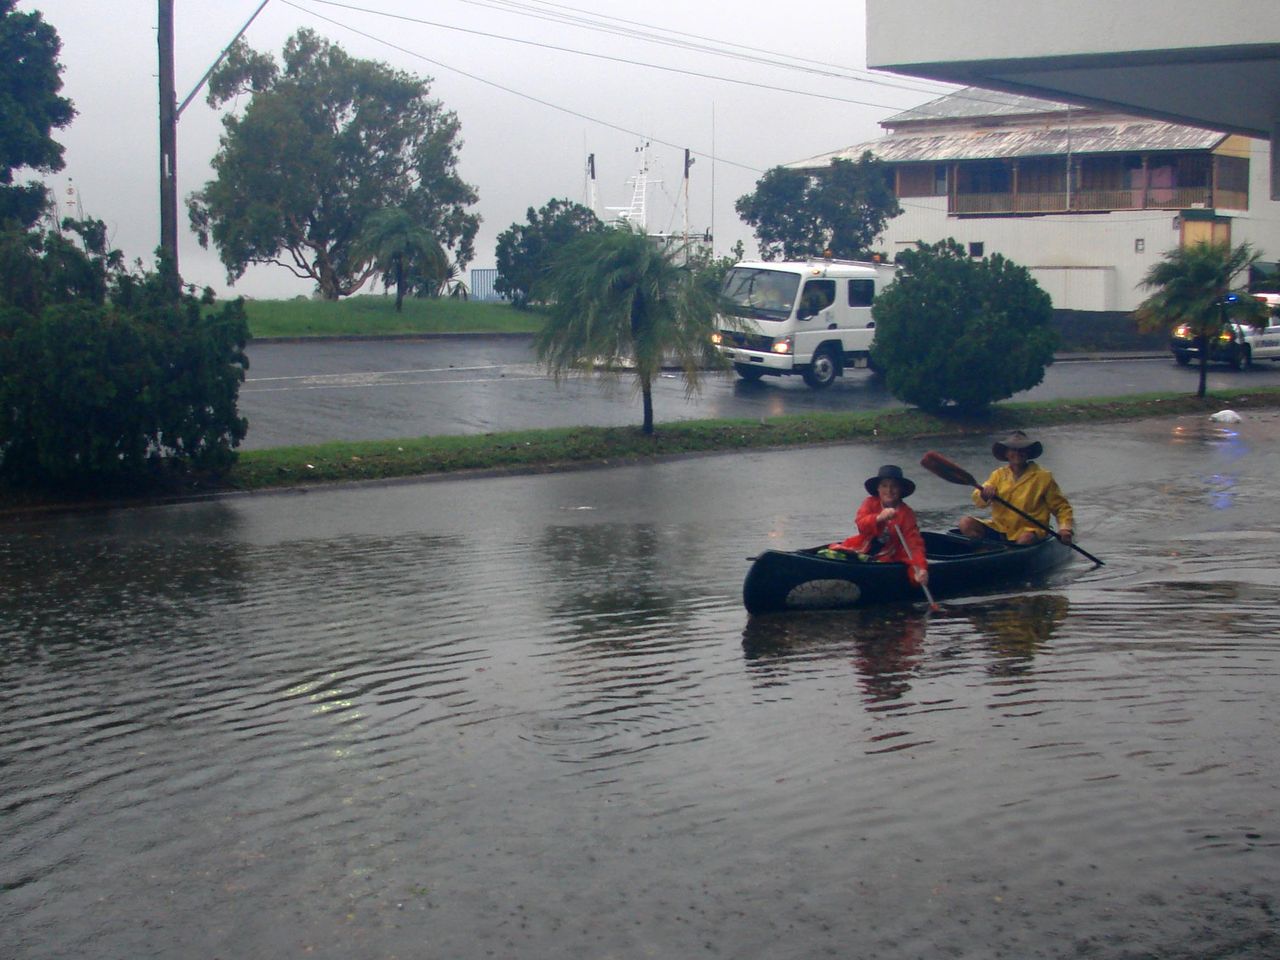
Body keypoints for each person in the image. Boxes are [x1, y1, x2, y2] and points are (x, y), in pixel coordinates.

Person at [957, 430, 1074, 546]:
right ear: (1006, 453)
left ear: (1028, 453)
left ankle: (1010, 555)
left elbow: (1061, 507)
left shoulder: (1043, 477)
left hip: (1029, 530)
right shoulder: (998, 475)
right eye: (1013, 449)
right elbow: (979, 501)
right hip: (1000, 528)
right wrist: (984, 494)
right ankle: (983, 550)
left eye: (1022, 449)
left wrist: (1065, 529)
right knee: (965, 522)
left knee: (1025, 539)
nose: (1017, 453)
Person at [823, 464, 928, 586]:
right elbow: (861, 524)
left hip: (887, 558)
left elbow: (913, 545)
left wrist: (920, 569)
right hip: (860, 549)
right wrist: (879, 518)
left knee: (879, 566)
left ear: (901, 490)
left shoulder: (907, 514)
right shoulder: (869, 503)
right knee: (826, 554)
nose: (889, 490)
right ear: (878, 489)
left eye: (894, 486)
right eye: (884, 486)